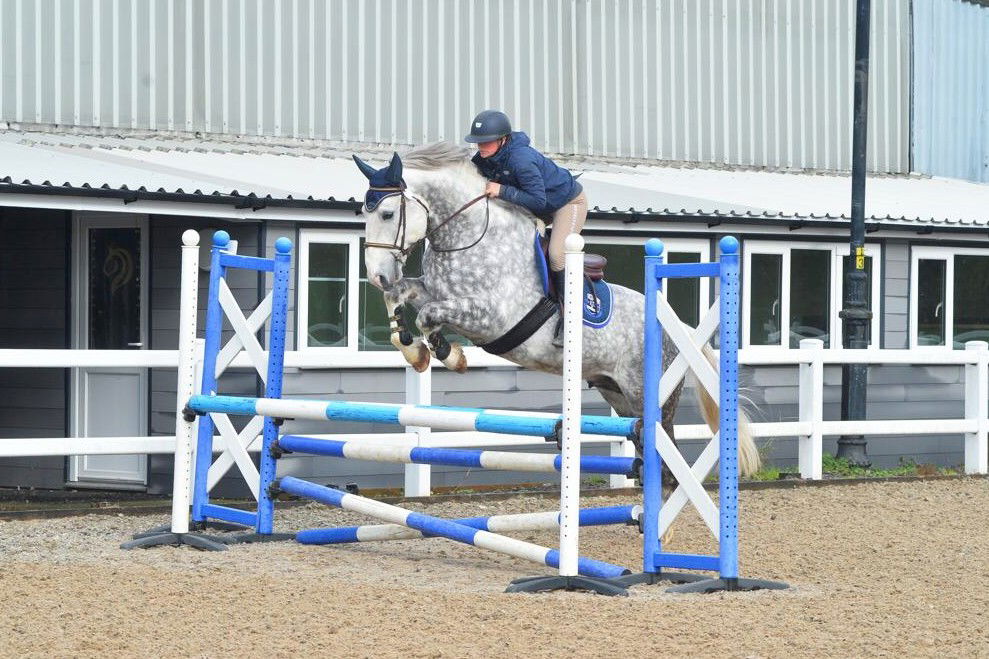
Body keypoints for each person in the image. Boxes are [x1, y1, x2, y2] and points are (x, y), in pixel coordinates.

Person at [465, 109, 587, 345]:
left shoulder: (521, 159)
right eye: (478, 142)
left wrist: (502, 190)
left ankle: (571, 319)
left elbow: (538, 201)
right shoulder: (483, 158)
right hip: (535, 206)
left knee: (557, 256)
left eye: (487, 142)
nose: (481, 147)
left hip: (566, 203)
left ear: (503, 140)